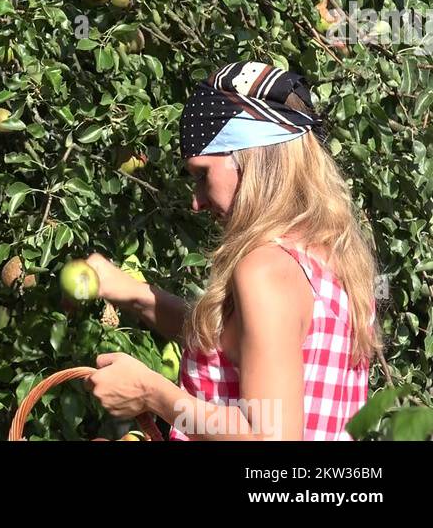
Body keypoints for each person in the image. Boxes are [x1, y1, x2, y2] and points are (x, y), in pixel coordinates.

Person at [83, 61, 381, 440]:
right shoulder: (331, 258)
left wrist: (152, 393)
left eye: (203, 174)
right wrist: (135, 295)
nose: (197, 202)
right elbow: (231, 344)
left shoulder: (264, 269)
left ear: (249, 158)